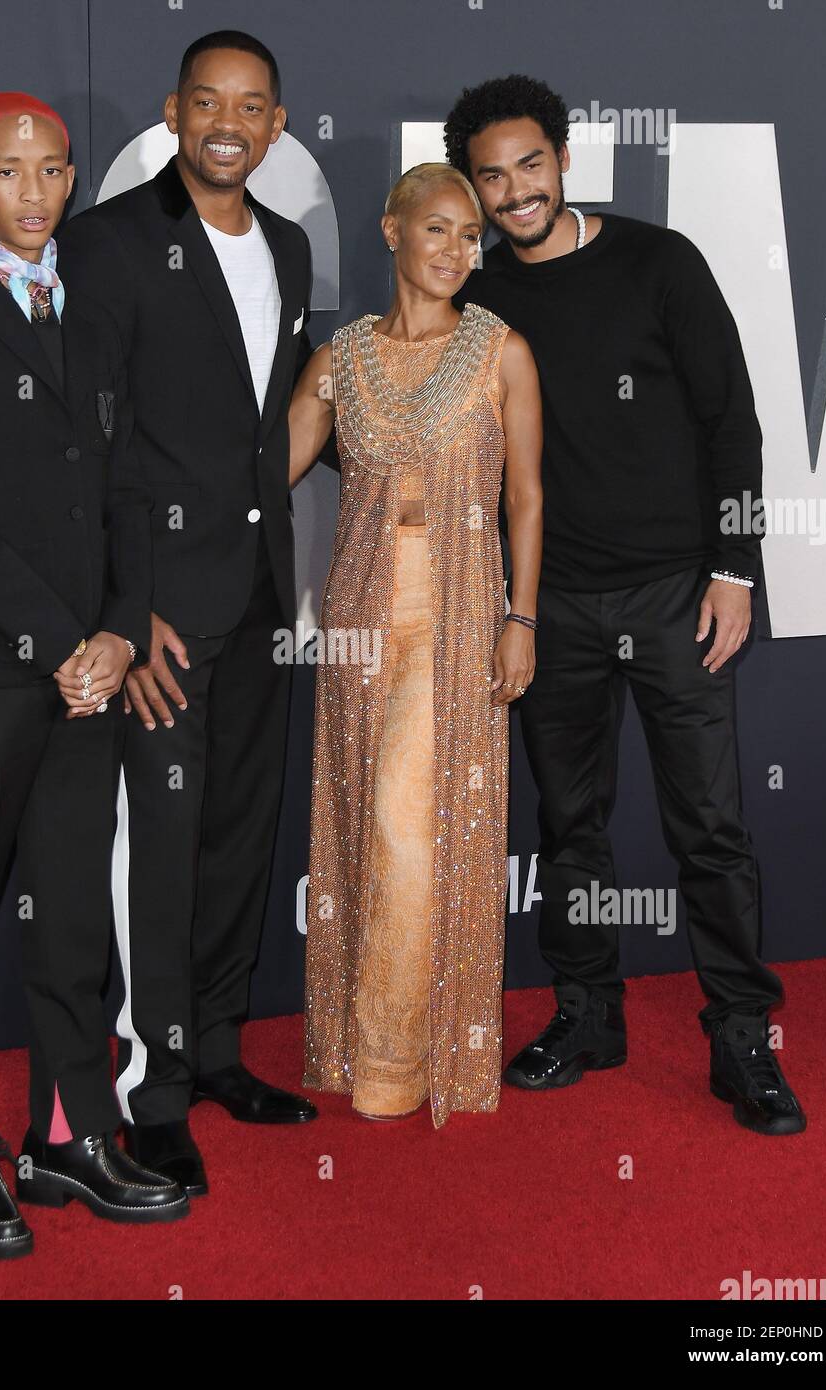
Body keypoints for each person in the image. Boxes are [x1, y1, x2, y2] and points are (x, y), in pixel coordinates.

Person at [447, 74, 806, 1135]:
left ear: (562, 158)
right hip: (547, 604)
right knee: (569, 829)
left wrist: (733, 567)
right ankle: (586, 1016)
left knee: (709, 826)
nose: (513, 191)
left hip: (674, 596)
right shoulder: (478, 302)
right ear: (469, 190)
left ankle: (742, 1034)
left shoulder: (659, 261)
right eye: (490, 176)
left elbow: (730, 419)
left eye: (527, 165)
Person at [0, 92, 189, 1259]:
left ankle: (70, 1129)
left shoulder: (95, 315)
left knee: (70, 911)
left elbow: (129, 492)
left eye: (54, 171)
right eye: (9, 172)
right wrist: (65, 644)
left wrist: (115, 633)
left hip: (90, 672)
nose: (35, 192)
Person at [56, 31, 319, 1195]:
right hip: (161, 615)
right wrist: (129, 606)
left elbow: (267, 435)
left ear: (273, 125)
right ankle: (147, 1090)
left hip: (262, 602)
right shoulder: (109, 244)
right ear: (172, 114)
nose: (227, 122)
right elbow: (87, 439)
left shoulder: (294, 247)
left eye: (249, 106)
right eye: (205, 101)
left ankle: (214, 1052)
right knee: (153, 858)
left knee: (233, 839)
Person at [290, 163, 543, 1126]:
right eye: (436, 229)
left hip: (460, 607)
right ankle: (362, 1043)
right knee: (361, 821)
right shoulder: (340, 357)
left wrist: (521, 618)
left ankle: (400, 1064)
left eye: (470, 236)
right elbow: (265, 468)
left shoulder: (499, 351)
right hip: (357, 610)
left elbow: (524, 496)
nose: (456, 251)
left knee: (408, 824)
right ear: (390, 229)